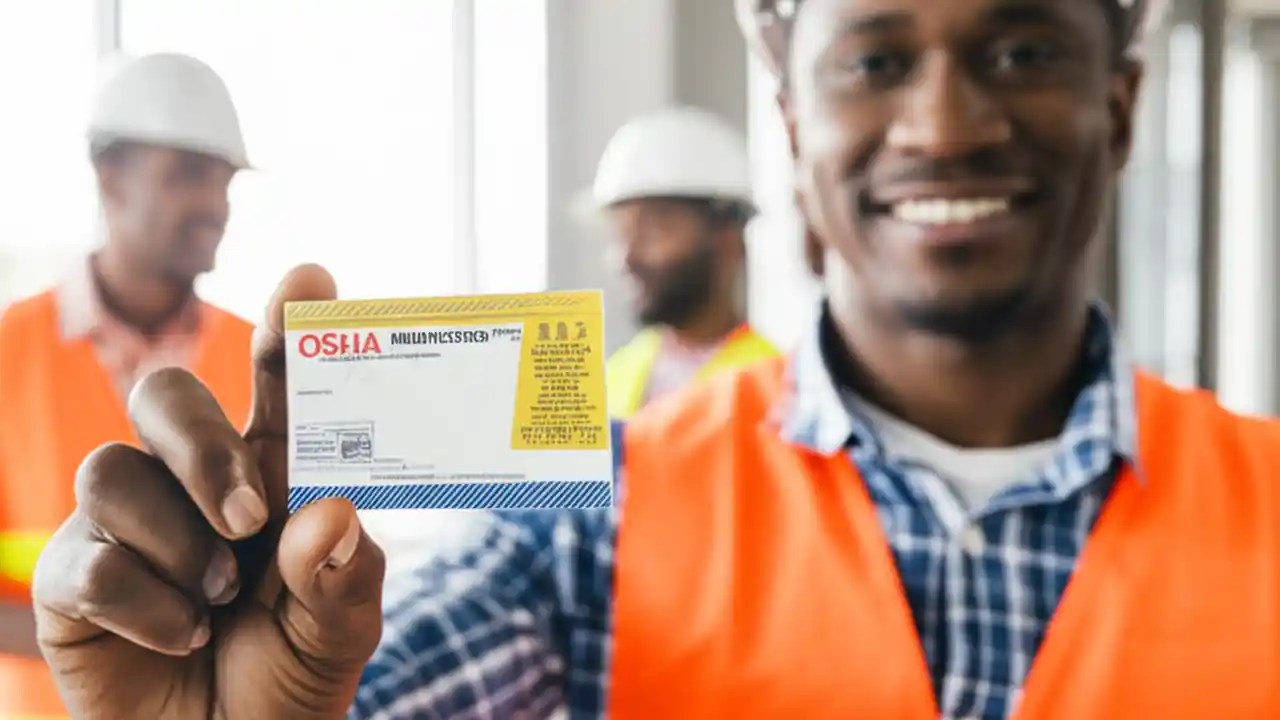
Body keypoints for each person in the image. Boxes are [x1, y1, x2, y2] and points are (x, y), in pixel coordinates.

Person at [31, 0, 1280, 717]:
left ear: (1117, 107)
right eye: (874, 60)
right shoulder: (597, 527)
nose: (944, 125)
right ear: (794, 123)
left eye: (1018, 50)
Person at [0, 53, 255, 718]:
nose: (215, 205)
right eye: (190, 175)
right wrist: (107, 630)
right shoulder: (7, 351)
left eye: (225, 183)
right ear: (109, 177)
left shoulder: (261, 358)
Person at [594, 108, 778, 418]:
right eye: (622, 233)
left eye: (653, 229)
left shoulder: (778, 392)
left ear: (727, 238)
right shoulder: (614, 376)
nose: (628, 257)